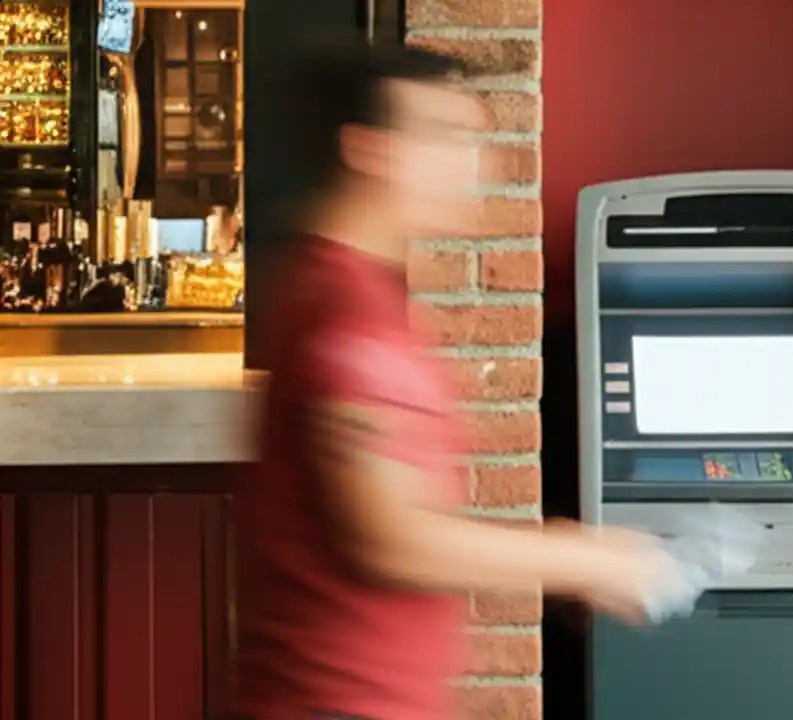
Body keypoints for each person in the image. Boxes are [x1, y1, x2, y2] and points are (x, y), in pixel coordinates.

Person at [233, 34, 684, 720]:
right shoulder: (347, 314)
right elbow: (393, 535)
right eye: (442, 138)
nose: (472, 165)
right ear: (369, 151)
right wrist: (588, 559)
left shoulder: (344, 289)